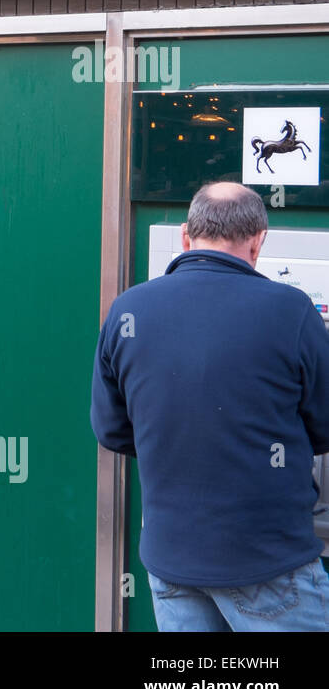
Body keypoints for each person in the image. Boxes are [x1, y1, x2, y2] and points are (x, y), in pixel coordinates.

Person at [91, 181, 329, 631]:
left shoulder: (128, 310)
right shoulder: (292, 310)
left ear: (185, 236)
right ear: (258, 241)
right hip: (268, 559)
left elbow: (112, 430)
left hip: (170, 558)